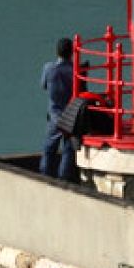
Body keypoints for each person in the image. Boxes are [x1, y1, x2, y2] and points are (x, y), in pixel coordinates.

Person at [39, 37, 78, 180]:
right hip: (71, 115)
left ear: (57, 52)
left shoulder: (49, 68)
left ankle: (45, 176)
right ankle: (64, 178)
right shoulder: (75, 70)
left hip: (54, 114)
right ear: (72, 52)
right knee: (68, 149)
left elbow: (43, 86)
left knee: (49, 148)